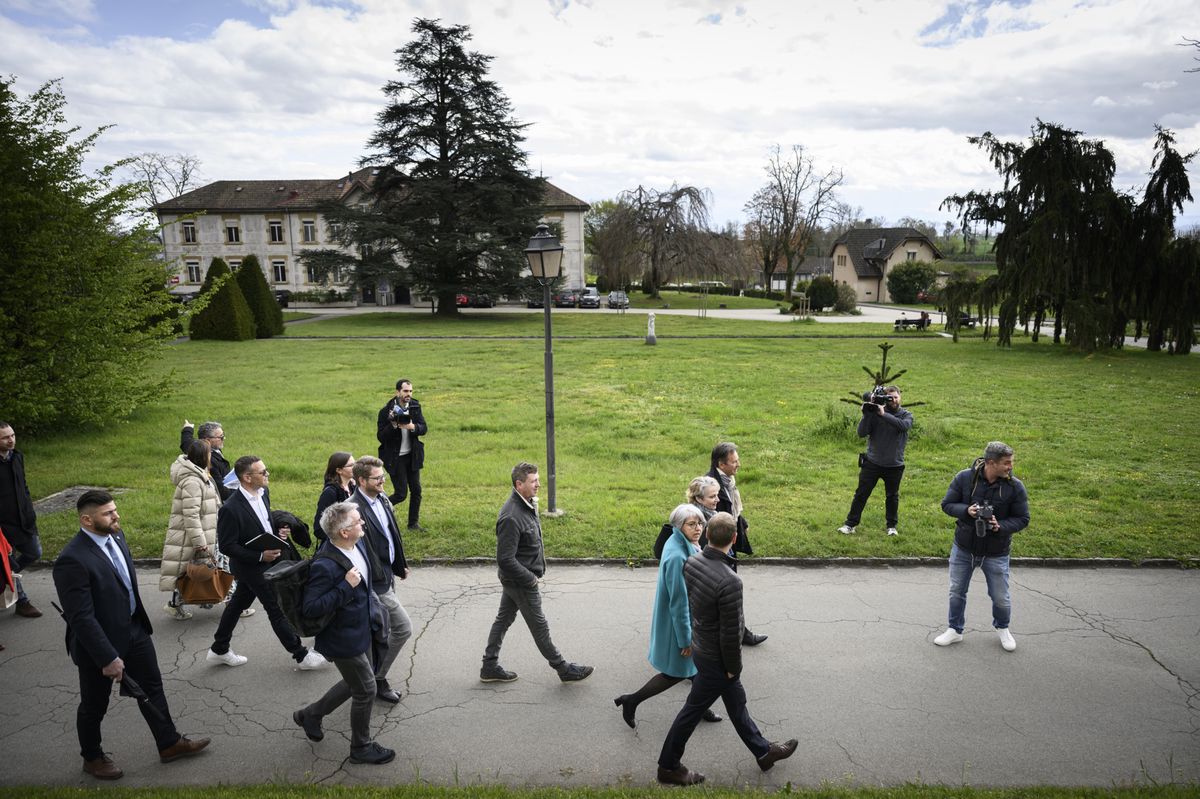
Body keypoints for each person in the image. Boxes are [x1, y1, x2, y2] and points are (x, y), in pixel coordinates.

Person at [52, 490, 211, 780]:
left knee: (153, 689)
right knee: (94, 705)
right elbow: (81, 617)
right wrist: (107, 657)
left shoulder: (117, 537)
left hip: (134, 630)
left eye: (115, 509)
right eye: (108, 513)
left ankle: (169, 743)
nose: (116, 516)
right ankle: (92, 757)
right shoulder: (71, 560)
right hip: (98, 645)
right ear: (87, 520)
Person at [656, 512, 797, 786]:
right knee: (691, 712)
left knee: (737, 703)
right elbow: (731, 634)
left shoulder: (693, 562)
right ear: (734, 539)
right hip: (717, 661)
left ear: (707, 534)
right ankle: (668, 766)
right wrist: (733, 668)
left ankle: (764, 752)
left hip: (701, 648)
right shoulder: (730, 581)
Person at [292, 501, 395, 765]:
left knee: (357, 682)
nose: (362, 523)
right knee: (366, 689)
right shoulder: (325, 565)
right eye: (357, 521)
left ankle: (311, 714)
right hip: (343, 638)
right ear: (344, 532)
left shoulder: (356, 545)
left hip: (363, 628)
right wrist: (346, 587)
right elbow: (311, 607)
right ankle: (360, 748)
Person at [205, 456, 325, 670]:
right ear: (247, 477)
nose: (268, 474)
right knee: (276, 607)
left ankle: (219, 648)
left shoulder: (264, 493)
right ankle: (300, 655)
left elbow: (263, 521)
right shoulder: (230, 509)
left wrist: (278, 531)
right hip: (251, 566)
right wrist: (260, 557)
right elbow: (226, 546)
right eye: (263, 472)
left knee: (238, 603)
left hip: (268, 560)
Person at [480, 461, 592, 683]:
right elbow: (504, 559)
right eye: (534, 481)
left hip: (516, 580)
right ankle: (563, 668)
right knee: (540, 627)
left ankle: (489, 666)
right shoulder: (511, 516)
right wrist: (530, 579)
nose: (539, 484)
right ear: (519, 484)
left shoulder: (527, 503)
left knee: (503, 620)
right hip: (520, 582)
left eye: (538, 480)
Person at [616, 504, 721, 728]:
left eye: (701, 523)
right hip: (679, 627)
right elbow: (679, 602)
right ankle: (632, 700)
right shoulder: (677, 556)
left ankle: (701, 707)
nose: (698, 528)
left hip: (686, 623)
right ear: (678, 525)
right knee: (675, 674)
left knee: (697, 671)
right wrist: (686, 639)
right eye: (692, 524)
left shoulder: (681, 542)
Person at [934, 441, 1030, 652]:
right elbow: (947, 504)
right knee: (957, 591)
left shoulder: (1015, 487)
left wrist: (1000, 526)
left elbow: (1023, 518)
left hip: (996, 552)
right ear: (990, 463)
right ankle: (955, 630)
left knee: (1001, 598)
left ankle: (1003, 628)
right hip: (964, 547)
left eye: (1011, 462)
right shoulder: (964, 478)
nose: (1010, 467)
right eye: (1006, 463)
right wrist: (966, 510)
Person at [349, 456, 413, 704]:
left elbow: (391, 534)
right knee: (402, 628)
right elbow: (355, 552)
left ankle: (370, 678)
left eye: (382, 476)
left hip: (387, 575)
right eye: (377, 478)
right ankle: (375, 678)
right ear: (361, 480)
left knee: (382, 631)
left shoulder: (383, 499)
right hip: (374, 583)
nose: (383, 481)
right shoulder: (352, 509)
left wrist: (400, 564)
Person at [706, 443, 766, 647]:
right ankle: (736, 634)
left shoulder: (727, 480)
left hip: (725, 545)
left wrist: (743, 523)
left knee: (728, 593)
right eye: (734, 461)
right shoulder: (711, 487)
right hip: (717, 548)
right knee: (726, 594)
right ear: (720, 464)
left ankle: (739, 632)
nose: (738, 464)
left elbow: (733, 509)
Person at [837, 385, 913, 537]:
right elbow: (861, 433)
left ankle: (891, 527)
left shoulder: (906, 415)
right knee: (861, 494)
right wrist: (867, 415)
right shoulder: (874, 413)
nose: (893, 400)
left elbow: (903, 426)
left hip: (895, 465)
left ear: (900, 397)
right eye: (889, 398)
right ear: (883, 399)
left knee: (892, 497)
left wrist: (883, 414)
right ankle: (850, 524)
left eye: (895, 397)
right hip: (872, 463)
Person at [159, 439, 220, 620]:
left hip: (204, 532)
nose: (212, 457)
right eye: (210, 453)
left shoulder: (200, 474)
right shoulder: (193, 481)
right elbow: (191, 516)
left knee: (192, 572)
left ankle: (183, 603)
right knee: (193, 572)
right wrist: (200, 543)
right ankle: (236, 604)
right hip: (194, 537)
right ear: (204, 456)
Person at [0, 421, 42, 618]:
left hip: (23, 520)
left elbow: (23, 485)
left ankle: (7, 573)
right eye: (5, 437)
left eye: (13, 435)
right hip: (3, 526)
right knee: (8, 563)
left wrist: (29, 509)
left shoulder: (17, 457)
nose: (11, 440)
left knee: (34, 551)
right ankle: (23, 602)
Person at [375, 379, 427, 532]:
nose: (408, 394)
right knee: (401, 494)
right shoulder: (386, 411)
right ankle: (377, 510)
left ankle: (413, 524)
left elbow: (424, 428)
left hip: (412, 456)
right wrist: (393, 425)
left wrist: (413, 427)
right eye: (405, 391)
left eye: (410, 391)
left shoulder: (415, 407)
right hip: (395, 458)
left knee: (416, 491)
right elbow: (381, 437)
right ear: (397, 392)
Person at [653, 475, 720, 561]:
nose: (718, 500)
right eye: (712, 496)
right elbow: (662, 552)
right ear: (699, 498)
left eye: (717, 495)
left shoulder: (713, 517)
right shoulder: (685, 517)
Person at [180, 420, 233, 501]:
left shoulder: (196, 449)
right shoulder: (210, 462)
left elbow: (186, 443)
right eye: (221, 437)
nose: (224, 439)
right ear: (208, 440)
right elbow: (221, 492)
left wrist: (188, 428)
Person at [314, 452, 356, 543]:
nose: (356, 467)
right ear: (339, 470)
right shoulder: (330, 493)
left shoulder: (353, 487)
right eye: (351, 465)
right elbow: (319, 529)